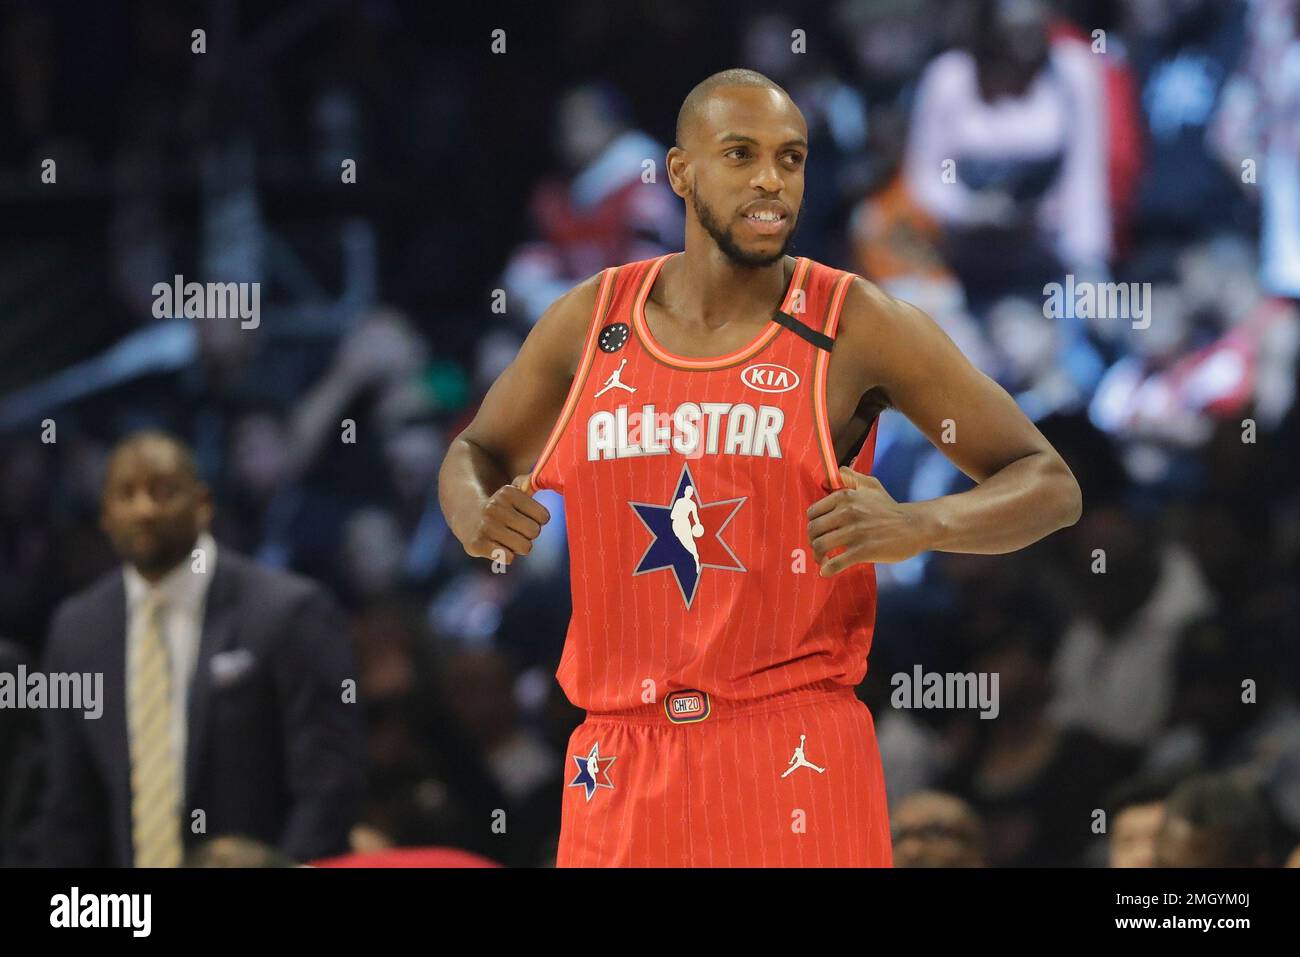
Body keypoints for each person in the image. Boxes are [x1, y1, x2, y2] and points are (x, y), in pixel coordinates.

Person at [438, 69, 1082, 867]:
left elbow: (1049, 483)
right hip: (618, 752)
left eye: (792, 157)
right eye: (740, 154)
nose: (772, 179)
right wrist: (473, 512)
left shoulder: (854, 322)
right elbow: (476, 450)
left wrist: (919, 524)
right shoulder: (591, 320)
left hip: (793, 746)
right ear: (680, 171)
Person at [40, 431, 363, 867]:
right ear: (104, 513)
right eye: (126, 494)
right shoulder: (76, 630)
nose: (145, 509)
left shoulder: (287, 610)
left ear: (203, 504)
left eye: (163, 491)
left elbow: (328, 783)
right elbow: (70, 806)